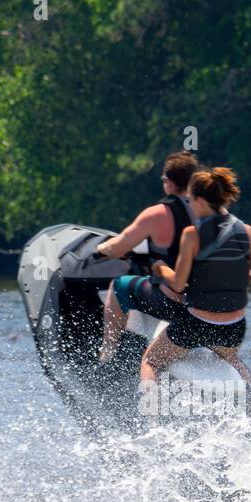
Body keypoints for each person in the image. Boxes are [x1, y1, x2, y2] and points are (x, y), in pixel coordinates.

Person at [139, 167, 251, 386]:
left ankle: (150, 418)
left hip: (198, 322)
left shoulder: (192, 234)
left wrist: (159, 268)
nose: (189, 205)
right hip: (234, 326)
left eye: (190, 200)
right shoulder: (247, 231)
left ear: (202, 202)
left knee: (151, 361)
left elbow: (178, 284)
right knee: (231, 358)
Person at [95, 152, 201, 362]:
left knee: (119, 286)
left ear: (168, 182)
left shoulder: (156, 214)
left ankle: (107, 353)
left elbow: (117, 248)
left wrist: (99, 249)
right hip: (204, 300)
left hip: (171, 301)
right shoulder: (209, 211)